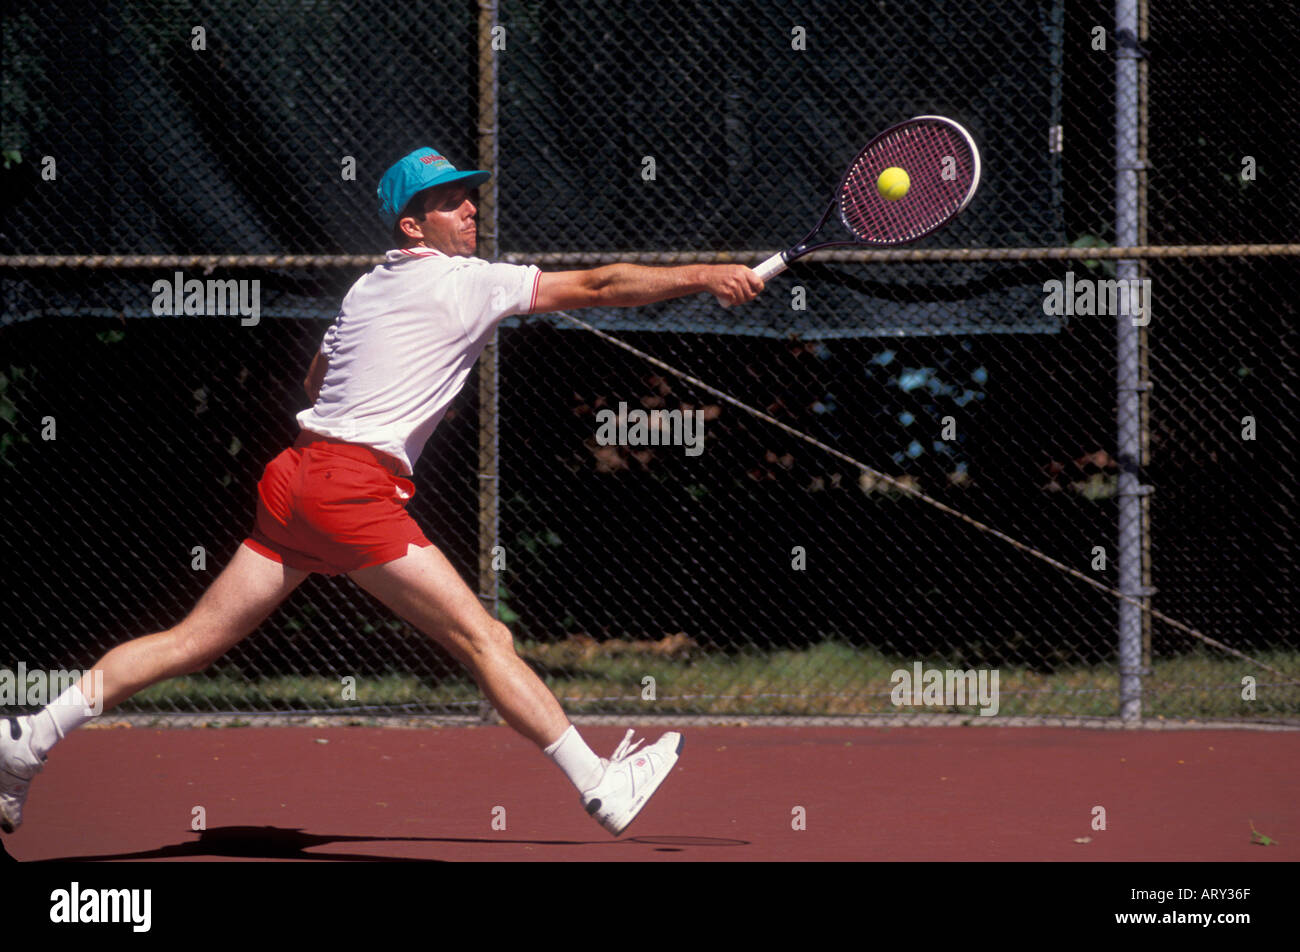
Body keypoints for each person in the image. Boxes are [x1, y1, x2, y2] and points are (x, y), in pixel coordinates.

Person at [1, 146, 763, 839]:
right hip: (349, 488)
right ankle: (603, 787)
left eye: (470, 196)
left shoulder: (365, 291)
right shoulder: (467, 282)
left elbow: (315, 383)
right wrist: (706, 274)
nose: (470, 208)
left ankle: (27, 741)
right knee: (483, 639)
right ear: (413, 224)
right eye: (450, 201)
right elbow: (599, 284)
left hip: (292, 477)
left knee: (193, 641)